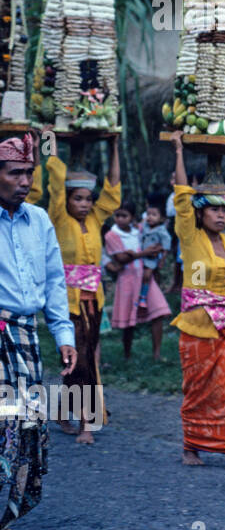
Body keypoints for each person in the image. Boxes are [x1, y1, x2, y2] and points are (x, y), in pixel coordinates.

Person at [0, 132, 76, 530]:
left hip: (27, 338)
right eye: (15, 172)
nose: (25, 180)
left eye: (29, 172)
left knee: (27, 429)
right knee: (2, 427)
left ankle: (4, 519)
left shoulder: (40, 220)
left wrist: (63, 334)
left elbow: (54, 281)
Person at [170, 133, 225, 473]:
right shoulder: (189, 236)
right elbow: (181, 196)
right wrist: (179, 151)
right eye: (214, 209)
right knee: (197, 390)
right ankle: (191, 445)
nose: (221, 216)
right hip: (196, 324)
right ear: (201, 211)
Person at [46, 144, 121, 444]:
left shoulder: (94, 221)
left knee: (83, 358)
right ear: (67, 199)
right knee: (82, 362)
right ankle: (86, 425)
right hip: (67, 304)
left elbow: (113, 191)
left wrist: (114, 146)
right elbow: (54, 175)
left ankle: (64, 411)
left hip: (94, 302)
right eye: (77, 198)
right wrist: (51, 137)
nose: (85, 204)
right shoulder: (58, 218)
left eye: (88, 199)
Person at [104, 202, 170, 362]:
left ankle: (157, 354)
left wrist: (142, 257)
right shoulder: (111, 235)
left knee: (158, 312)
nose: (120, 219)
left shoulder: (139, 230)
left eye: (124, 215)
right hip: (127, 279)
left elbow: (155, 246)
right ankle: (127, 354)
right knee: (129, 321)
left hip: (145, 276)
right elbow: (121, 258)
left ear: (132, 217)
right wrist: (144, 253)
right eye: (117, 215)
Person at [138, 196, 172, 310]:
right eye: (148, 214)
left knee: (147, 275)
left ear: (161, 218)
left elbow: (166, 246)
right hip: (142, 255)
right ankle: (144, 292)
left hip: (153, 257)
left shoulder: (161, 230)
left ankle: (143, 297)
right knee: (142, 275)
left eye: (154, 215)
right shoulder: (145, 226)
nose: (150, 217)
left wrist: (162, 259)